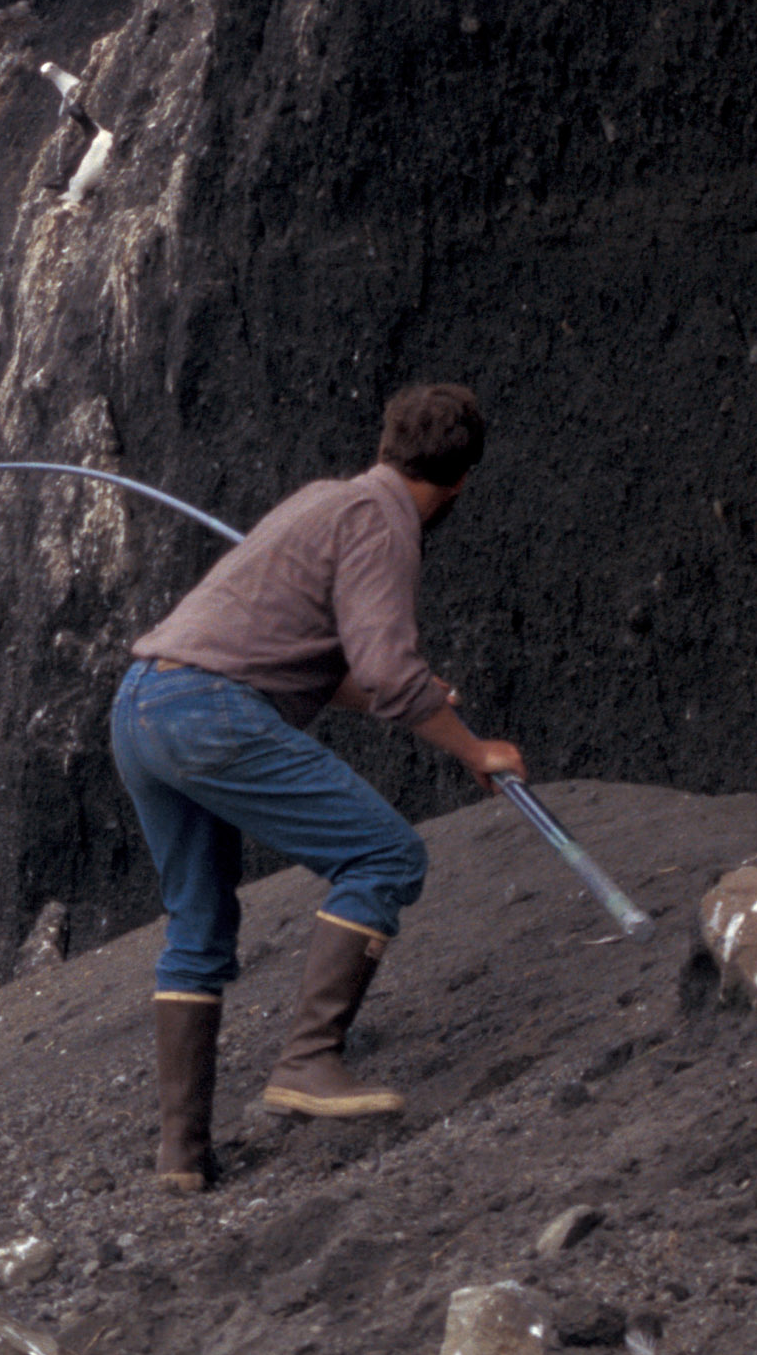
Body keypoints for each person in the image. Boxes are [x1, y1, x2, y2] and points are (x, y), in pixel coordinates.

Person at [108, 383, 525, 1191]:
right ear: (460, 482)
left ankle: (181, 1155)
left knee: (197, 922)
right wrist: (473, 748)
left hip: (141, 706)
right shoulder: (384, 523)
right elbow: (389, 673)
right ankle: (307, 1059)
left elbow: (317, 667)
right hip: (205, 712)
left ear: (385, 445)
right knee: (385, 855)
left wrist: (415, 696)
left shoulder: (322, 500)